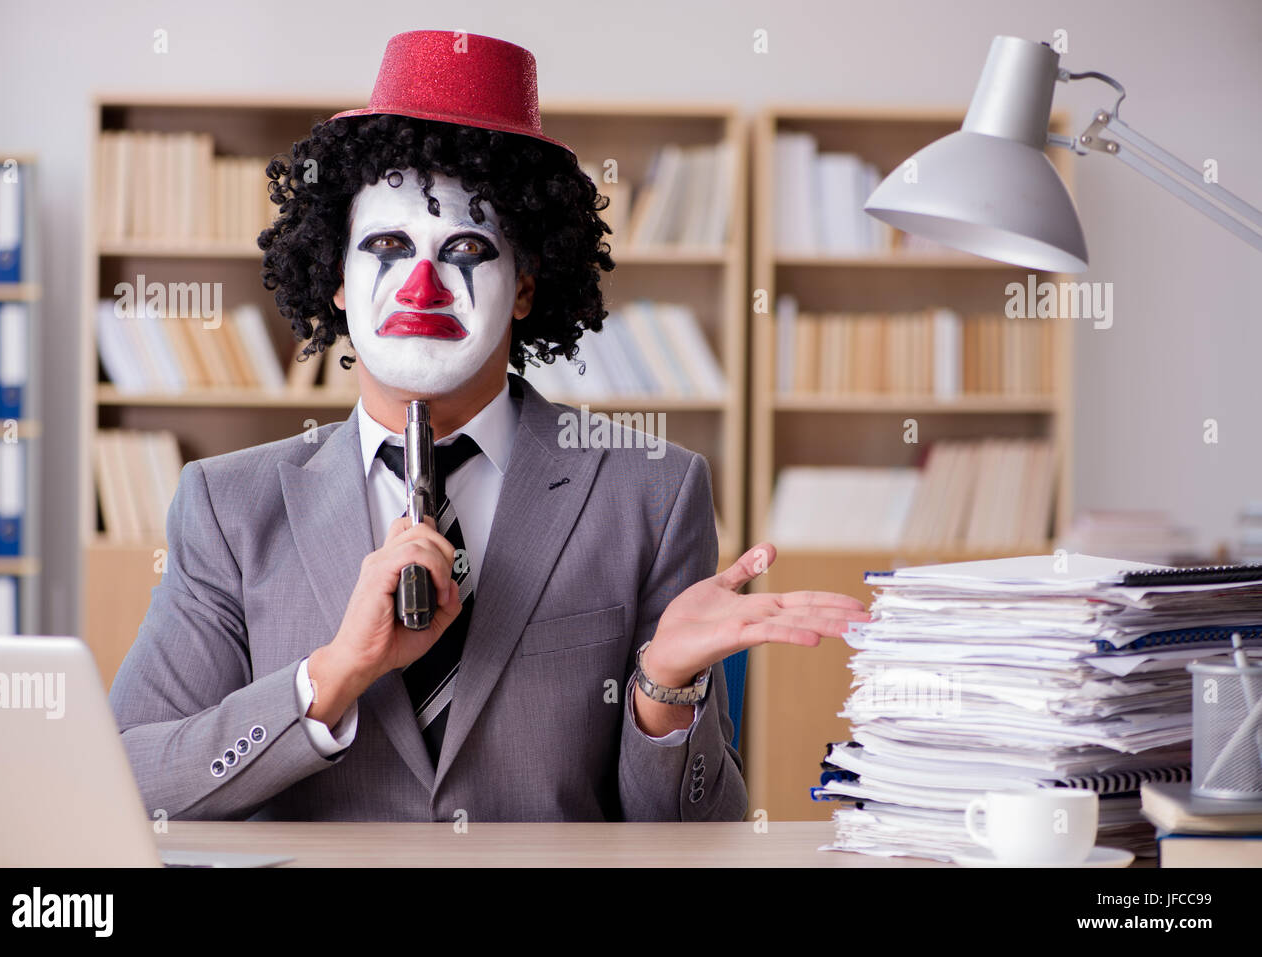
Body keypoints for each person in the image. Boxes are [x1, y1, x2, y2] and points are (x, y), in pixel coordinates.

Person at [109, 29, 868, 822]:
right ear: (336, 278)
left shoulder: (655, 491)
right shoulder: (226, 506)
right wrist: (330, 677)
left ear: (528, 285)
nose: (423, 283)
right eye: (389, 245)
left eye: (467, 246)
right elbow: (129, 785)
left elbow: (699, 835)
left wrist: (663, 688)